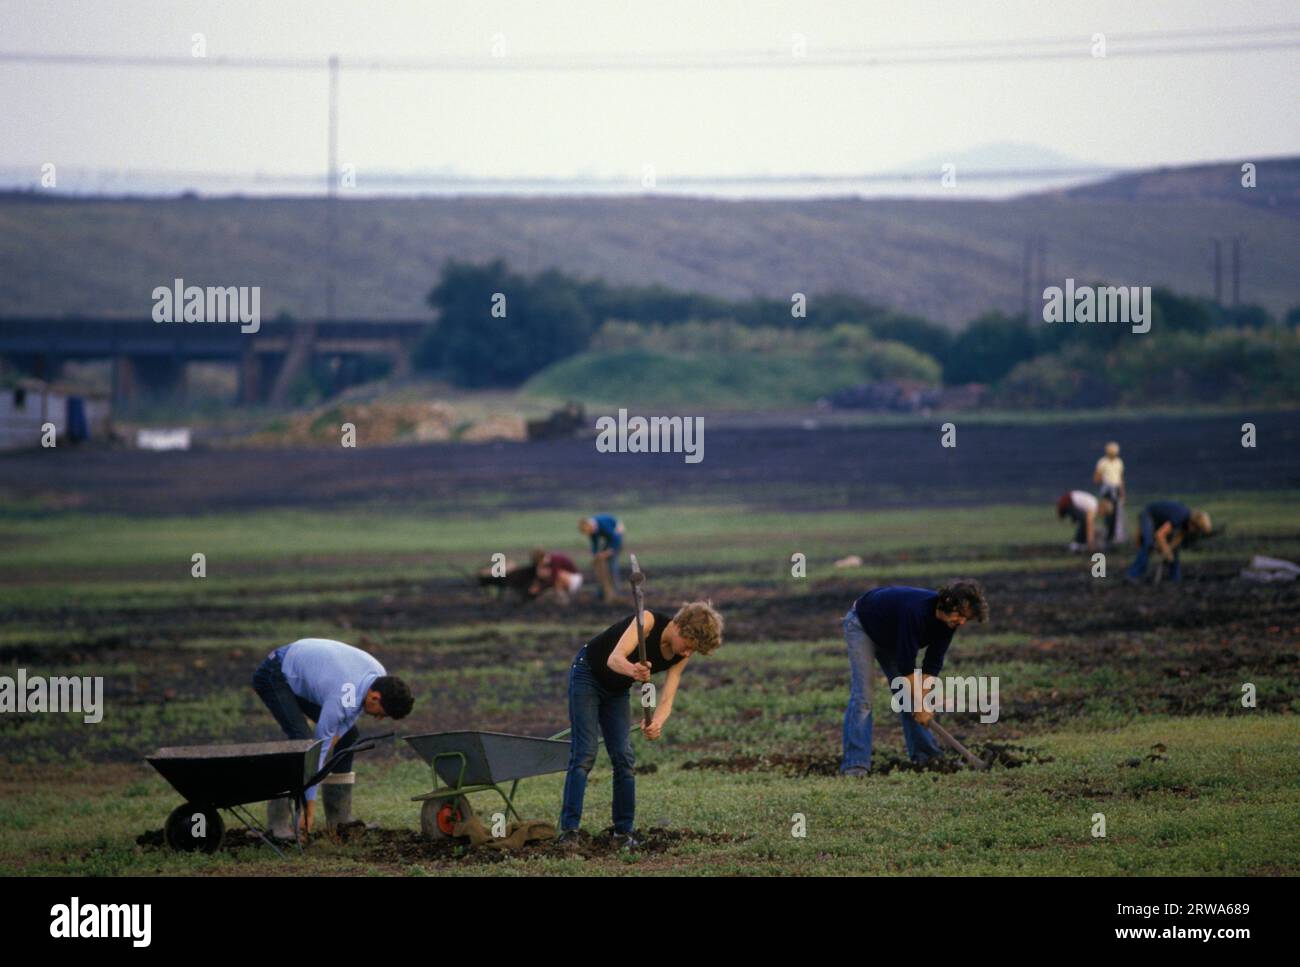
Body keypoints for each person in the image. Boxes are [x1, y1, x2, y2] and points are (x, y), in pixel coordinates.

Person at [557, 602, 723, 849]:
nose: (688, 653)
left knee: (624, 757)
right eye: (688, 646)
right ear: (678, 627)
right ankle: (569, 832)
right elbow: (615, 660)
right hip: (587, 675)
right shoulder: (646, 622)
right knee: (585, 754)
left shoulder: (681, 653)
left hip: (617, 690)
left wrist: (657, 721)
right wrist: (633, 670)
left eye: (693, 651)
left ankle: (623, 833)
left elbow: (668, 695)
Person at [251, 637, 413, 837]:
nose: (379, 719)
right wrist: (310, 802)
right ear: (374, 697)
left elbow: (348, 718)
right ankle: (279, 825)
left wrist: (339, 734)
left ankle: (339, 819)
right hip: (274, 674)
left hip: (303, 676)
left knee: (348, 736)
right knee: (304, 742)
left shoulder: (378, 675)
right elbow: (318, 749)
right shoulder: (342, 698)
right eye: (381, 713)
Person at [841, 581, 988, 776]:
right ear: (946, 603)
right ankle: (855, 765)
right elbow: (906, 665)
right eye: (959, 615)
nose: (961, 622)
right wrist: (919, 705)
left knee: (911, 699)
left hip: (892, 636)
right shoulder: (915, 612)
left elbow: (932, 663)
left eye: (965, 618)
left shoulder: (948, 623)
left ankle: (926, 755)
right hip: (862, 625)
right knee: (864, 696)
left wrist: (922, 703)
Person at [1126, 501, 1213, 583]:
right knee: (1148, 545)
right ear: (1193, 525)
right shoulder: (1180, 516)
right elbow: (1159, 535)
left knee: (1174, 551)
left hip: (1160, 522)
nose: (1195, 532)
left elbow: (1176, 541)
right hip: (1149, 515)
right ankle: (1132, 575)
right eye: (1197, 530)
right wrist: (1167, 551)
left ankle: (1175, 578)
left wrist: (1168, 550)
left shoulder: (1186, 522)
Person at [579, 514, 624, 601]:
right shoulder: (592, 529)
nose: (588, 534)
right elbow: (595, 544)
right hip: (610, 539)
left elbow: (616, 539)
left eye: (587, 531)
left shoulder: (603, 526)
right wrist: (595, 555)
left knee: (611, 565)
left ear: (589, 526)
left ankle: (616, 592)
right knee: (600, 565)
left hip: (617, 535)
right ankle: (602, 591)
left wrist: (608, 552)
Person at [1093, 441, 1127, 543]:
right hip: (1107, 491)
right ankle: (1107, 536)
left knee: (1117, 513)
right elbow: (1096, 478)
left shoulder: (1119, 462)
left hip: (1116, 490)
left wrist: (1122, 492)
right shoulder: (1102, 462)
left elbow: (1120, 478)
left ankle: (1114, 536)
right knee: (1108, 514)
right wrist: (1105, 483)